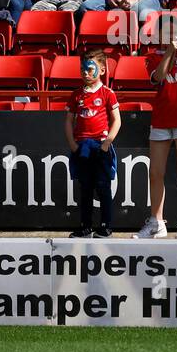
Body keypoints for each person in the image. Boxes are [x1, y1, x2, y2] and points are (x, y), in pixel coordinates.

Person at [135, 0, 177, 241]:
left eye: (174, 28)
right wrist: (170, 51)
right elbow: (159, 77)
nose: (170, 33)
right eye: (165, 29)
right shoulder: (152, 57)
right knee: (156, 172)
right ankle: (157, 223)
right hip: (161, 119)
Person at [65, 47, 120, 239]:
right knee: (85, 188)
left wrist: (107, 143)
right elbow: (68, 121)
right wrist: (73, 144)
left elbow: (117, 120)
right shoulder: (76, 95)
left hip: (100, 146)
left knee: (103, 186)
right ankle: (85, 227)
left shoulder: (107, 93)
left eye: (90, 69)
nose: (86, 73)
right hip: (82, 147)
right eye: (83, 69)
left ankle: (106, 226)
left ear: (102, 70)